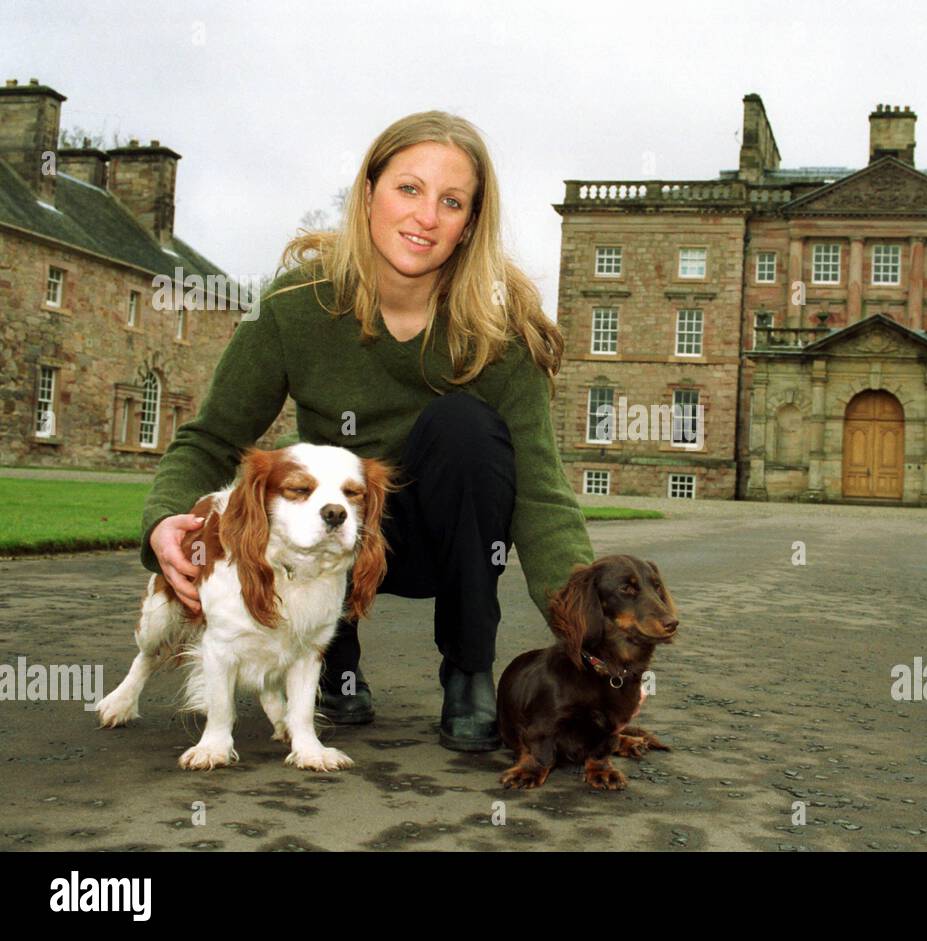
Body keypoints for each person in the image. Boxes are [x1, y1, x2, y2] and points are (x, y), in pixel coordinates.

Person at [139, 110, 594, 752]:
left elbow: (543, 493)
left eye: (452, 201)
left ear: (469, 226)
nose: (426, 217)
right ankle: (332, 661)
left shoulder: (500, 332)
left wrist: (588, 631)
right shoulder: (297, 304)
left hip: (442, 540)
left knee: (463, 423)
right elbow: (213, 438)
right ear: (369, 193)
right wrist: (162, 520)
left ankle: (468, 670)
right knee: (320, 489)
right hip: (332, 537)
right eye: (408, 188)